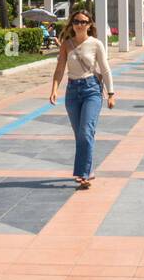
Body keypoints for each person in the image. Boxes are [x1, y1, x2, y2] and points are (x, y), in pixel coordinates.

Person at [48, 10, 115, 189]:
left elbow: (105, 69)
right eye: (77, 21)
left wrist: (111, 93)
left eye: (84, 22)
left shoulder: (96, 44)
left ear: (89, 25)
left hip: (91, 90)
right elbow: (60, 68)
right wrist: (54, 89)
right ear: (72, 24)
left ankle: (83, 174)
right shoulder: (66, 45)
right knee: (81, 135)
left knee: (86, 131)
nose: (80, 24)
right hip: (72, 92)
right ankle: (88, 169)